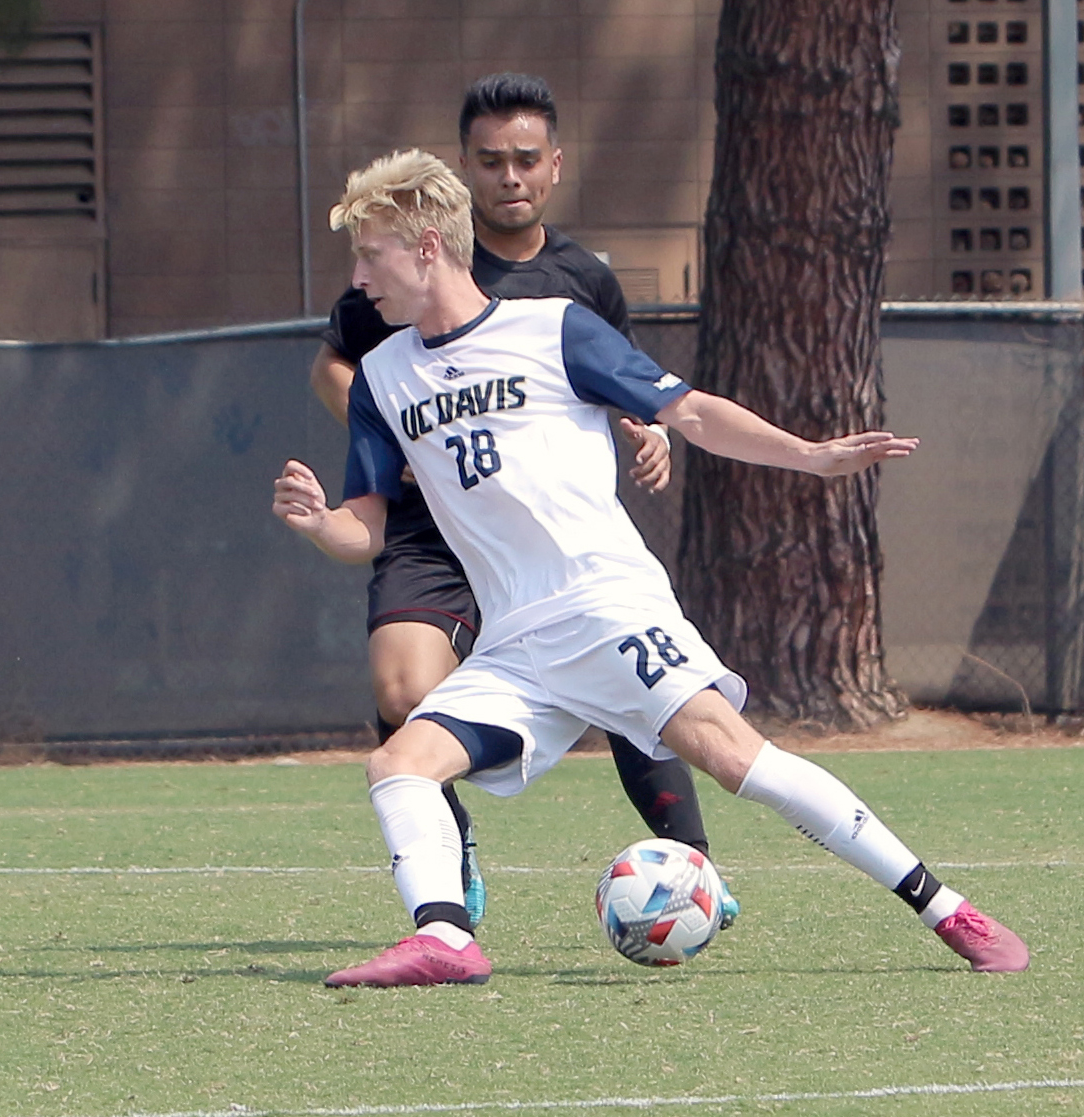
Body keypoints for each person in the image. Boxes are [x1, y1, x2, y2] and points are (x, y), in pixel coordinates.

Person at [273, 149, 1030, 988]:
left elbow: (691, 410)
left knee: (738, 760)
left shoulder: (554, 328)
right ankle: (447, 937)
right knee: (398, 764)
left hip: (607, 607)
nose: (357, 274)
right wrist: (319, 526)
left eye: (369, 252)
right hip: (516, 645)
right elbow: (367, 531)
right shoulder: (381, 377)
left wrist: (810, 456)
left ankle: (946, 906)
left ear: (424, 246)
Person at [308, 73, 729, 927]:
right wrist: (404, 441)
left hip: (543, 536)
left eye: (526, 160)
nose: (510, 176)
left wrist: (643, 431)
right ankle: (448, 853)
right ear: (461, 171)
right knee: (400, 690)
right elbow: (335, 368)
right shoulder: (404, 259)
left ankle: (696, 877)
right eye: (491, 161)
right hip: (432, 529)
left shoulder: (580, 279)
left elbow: (620, 383)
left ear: (555, 166)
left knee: (638, 697)